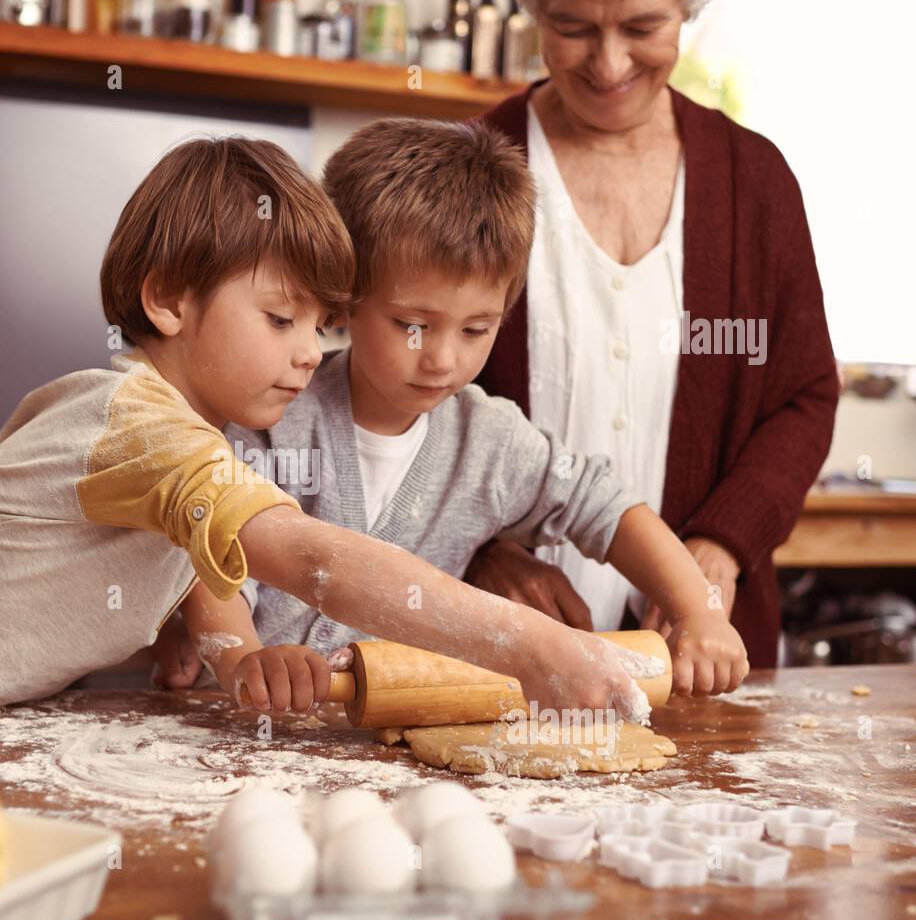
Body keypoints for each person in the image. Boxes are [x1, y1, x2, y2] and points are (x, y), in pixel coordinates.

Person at [0, 136, 650, 715]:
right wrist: (535, 648)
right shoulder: (136, 422)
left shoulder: (184, 444)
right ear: (170, 298)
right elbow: (317, 559)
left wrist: (218, 644)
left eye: (320, 326)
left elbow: (193, 555)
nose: (305, 354)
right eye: (281, 318)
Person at [161, 117, 747, 708]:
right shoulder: (269, 415)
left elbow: (607, 507)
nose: (442, 358)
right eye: (411, 325)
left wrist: (700, 611)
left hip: (396, 748)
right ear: (345, 300)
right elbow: (211, 554)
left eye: (476, 328)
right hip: (251, 735)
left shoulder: (490, 440)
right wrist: (241, 655)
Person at [466, 0, 838, 667]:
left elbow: (806, 393)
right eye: (572, 27)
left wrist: (720, 546)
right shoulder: (465, 168)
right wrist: (479, 549)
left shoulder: (755, 182)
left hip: (698, 657)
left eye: (642, 26)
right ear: (536, 11)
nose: (608, 65)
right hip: (498, 654)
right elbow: (394, 398)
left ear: (686, 8)